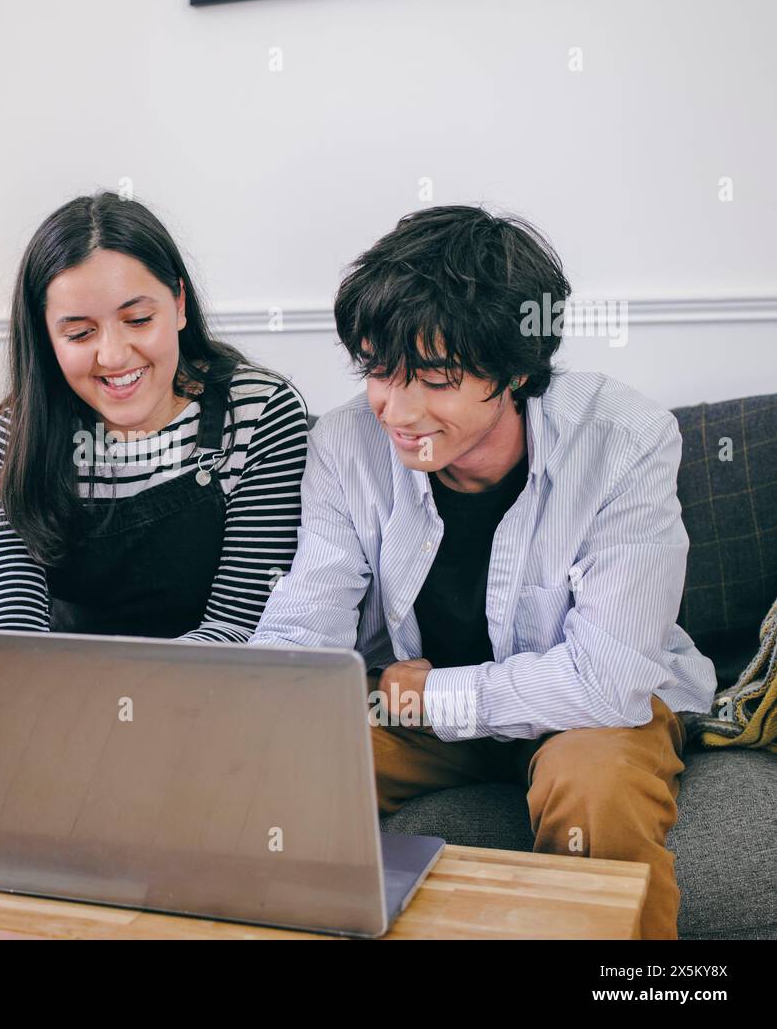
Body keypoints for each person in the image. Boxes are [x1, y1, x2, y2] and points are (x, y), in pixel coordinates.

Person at [250, 205, 715, 940]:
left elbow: (606, 679)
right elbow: (307, 618)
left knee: (592, 788)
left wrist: (436, 694)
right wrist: (252, 707)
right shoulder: (345, 444)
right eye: (378, 371)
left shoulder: (625, 439)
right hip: (419, 714)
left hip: (586, 712)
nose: (396, 410)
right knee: (271, 766)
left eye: (435, 380)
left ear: (519, 370)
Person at [0, 190, 309, 640]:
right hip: (62, 695)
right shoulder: (10, 444)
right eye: (80, 333)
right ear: (46, 338)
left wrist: (139, 701)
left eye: (139, 320)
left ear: (179, 304)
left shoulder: (260, 413)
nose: (112, 355)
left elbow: (240, 626)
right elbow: (8, 638)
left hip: (216, 693)